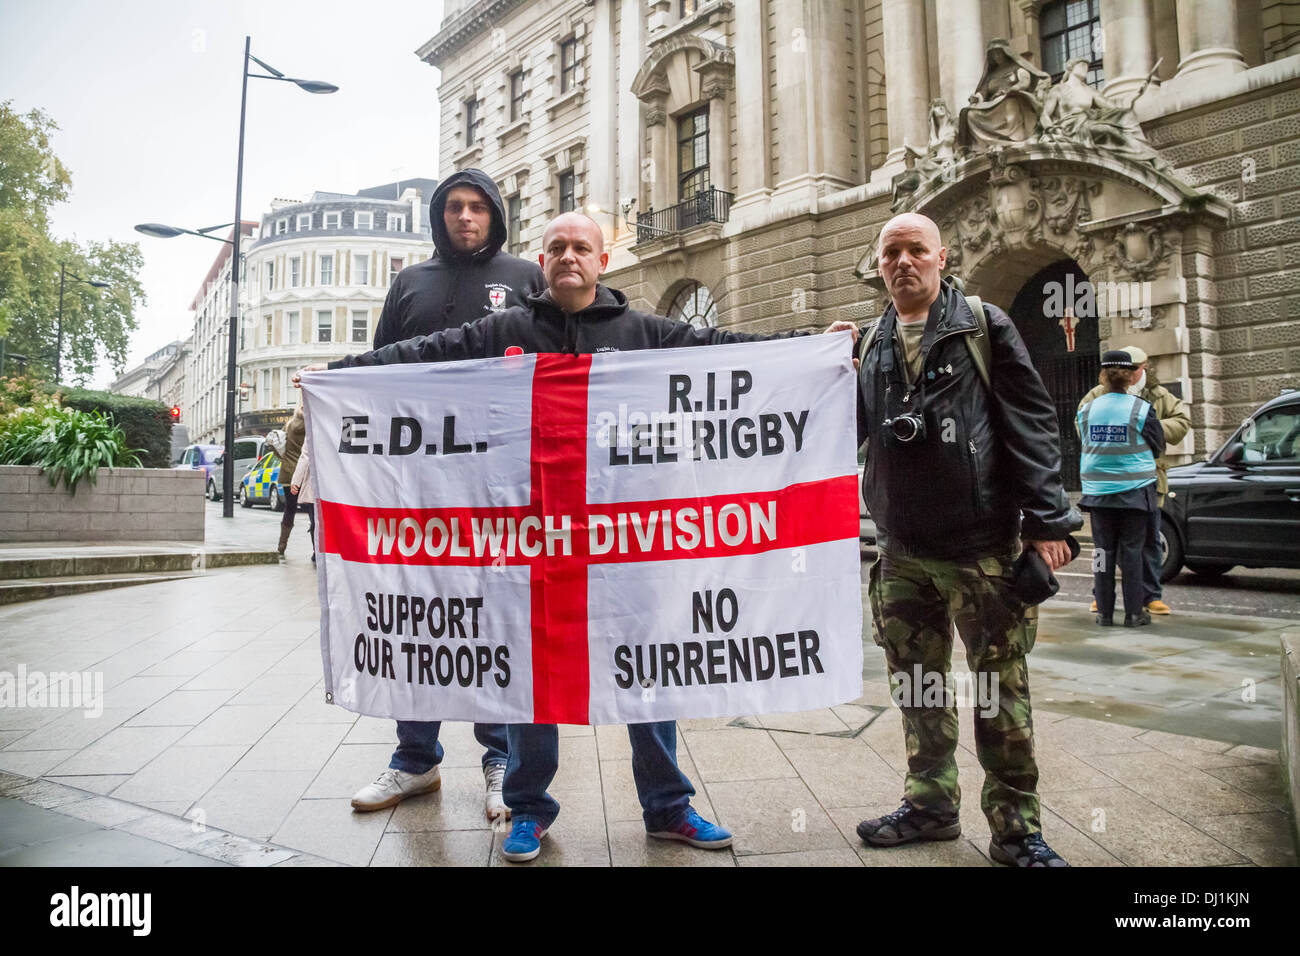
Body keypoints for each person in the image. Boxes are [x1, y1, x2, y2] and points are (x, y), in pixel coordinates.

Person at [298, 211, 826, 863]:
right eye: (556, 248)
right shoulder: (506, 331)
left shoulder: (642, 333)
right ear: (541, 261)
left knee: (649, 673)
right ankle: (527, 810)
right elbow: (422, 356)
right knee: (531, 679)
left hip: (627, 542)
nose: (568, 256)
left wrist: (815, 350)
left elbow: (727, 348)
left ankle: (668, 807)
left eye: (581, 247)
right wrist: (340, 373)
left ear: (603, 260)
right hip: (532, 542)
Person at [853, 212, 1081, 867]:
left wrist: (1047, 525)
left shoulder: (983, 325)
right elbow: (840, 428)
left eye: (915, 250)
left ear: (941, 257)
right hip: (899, 551)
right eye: (890, 251)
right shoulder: (870, 341)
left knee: (998, 696)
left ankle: (1016, 832)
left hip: (981, 548)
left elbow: (1032, 425)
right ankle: (929, 807)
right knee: (917, 689)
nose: (903, 262)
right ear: (878, 263)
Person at [350, 169, 544, 824]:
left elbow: (558, 365)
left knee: (496, 617)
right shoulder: (409, 284)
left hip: (502, 479)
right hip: (422, 481)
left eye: (478, 207)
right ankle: (415, 759)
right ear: (440, 216)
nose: (466, 217)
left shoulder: (524, 278)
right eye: (455, 207)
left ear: (496, 214)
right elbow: (380, 375)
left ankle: (499, 760)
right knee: (418, 613)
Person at [1079, 345, 1189, 615]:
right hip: (1136, 488)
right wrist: (1134, 432)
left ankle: (1107, 606)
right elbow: (1155, 442)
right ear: (1130, 374)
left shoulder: (1093, 404)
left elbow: (1084, 435)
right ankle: (1133, 612)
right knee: (1133, 549)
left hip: (1098, 489)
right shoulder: (1140, 407)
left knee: (1104, 550)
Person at [275, 406, 307, 556]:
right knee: (312, 510)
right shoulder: (309, 425)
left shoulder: (289, 424)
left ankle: (282, 544)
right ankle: (316, 549)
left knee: (290, 508)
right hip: (304, 472)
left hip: (287, 471)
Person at [288, 445, 316, 562]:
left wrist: (296, 481)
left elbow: (305, 456)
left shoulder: (313, 428)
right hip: (334, 486)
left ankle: (317, 550)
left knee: (315, 521)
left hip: (315, 485)